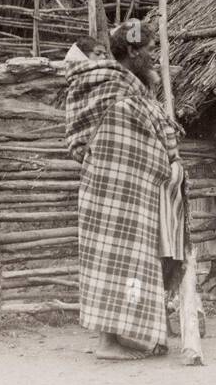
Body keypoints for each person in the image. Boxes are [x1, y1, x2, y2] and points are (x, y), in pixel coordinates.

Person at [65, 21, 186, 360]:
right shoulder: (121, 93)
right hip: (120, 191)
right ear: (133, 51)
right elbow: (148, 142)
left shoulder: (115, 88)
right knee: (122, 262)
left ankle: (121, 339)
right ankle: (110, 344)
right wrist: (169, 163)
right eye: (149, 51)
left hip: (110, 191)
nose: (154, 58)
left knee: (115, 262)